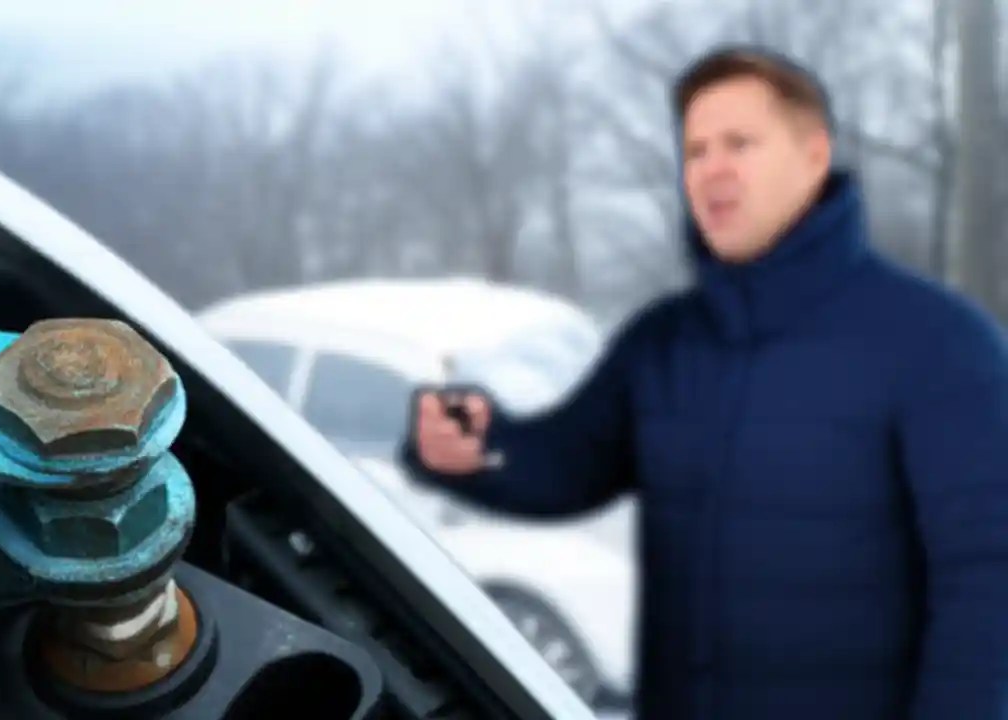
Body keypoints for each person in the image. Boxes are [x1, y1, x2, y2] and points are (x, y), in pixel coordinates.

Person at [403, 45, 1008, 720]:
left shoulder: (939, 344)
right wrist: (480, 449)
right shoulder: (664, 344)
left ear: (813, 156)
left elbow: (988, 578)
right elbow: (568, 465)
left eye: (739, 144)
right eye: (695, 151)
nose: (711, 170)